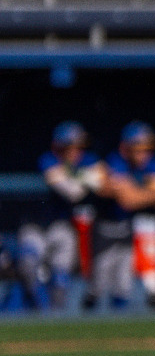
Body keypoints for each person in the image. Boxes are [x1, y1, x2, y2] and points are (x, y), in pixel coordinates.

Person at [93, 122, 155, 309]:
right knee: (97, 287)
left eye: (146, 149)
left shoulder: (153, 163)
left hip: (132, 233)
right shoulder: (115, 161)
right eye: (138, 149)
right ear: (125, 148)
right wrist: (154, 193)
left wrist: (142, 192)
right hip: (104, 230)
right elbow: (128, 200)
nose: (143, 154)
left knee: (124, 286)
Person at [19, 122, 99, 309]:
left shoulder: (87, 159)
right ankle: (39, 311)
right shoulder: (47, 159)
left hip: (60, 225)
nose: (73, 151)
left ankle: (56, 316)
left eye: (77, 146)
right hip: (35, 225)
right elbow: (73, 192)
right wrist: (88, 177)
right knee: (28, 265)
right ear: (57, 146)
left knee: (61, 271)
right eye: (68, 147)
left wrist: (78, 175)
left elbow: (102, 176)